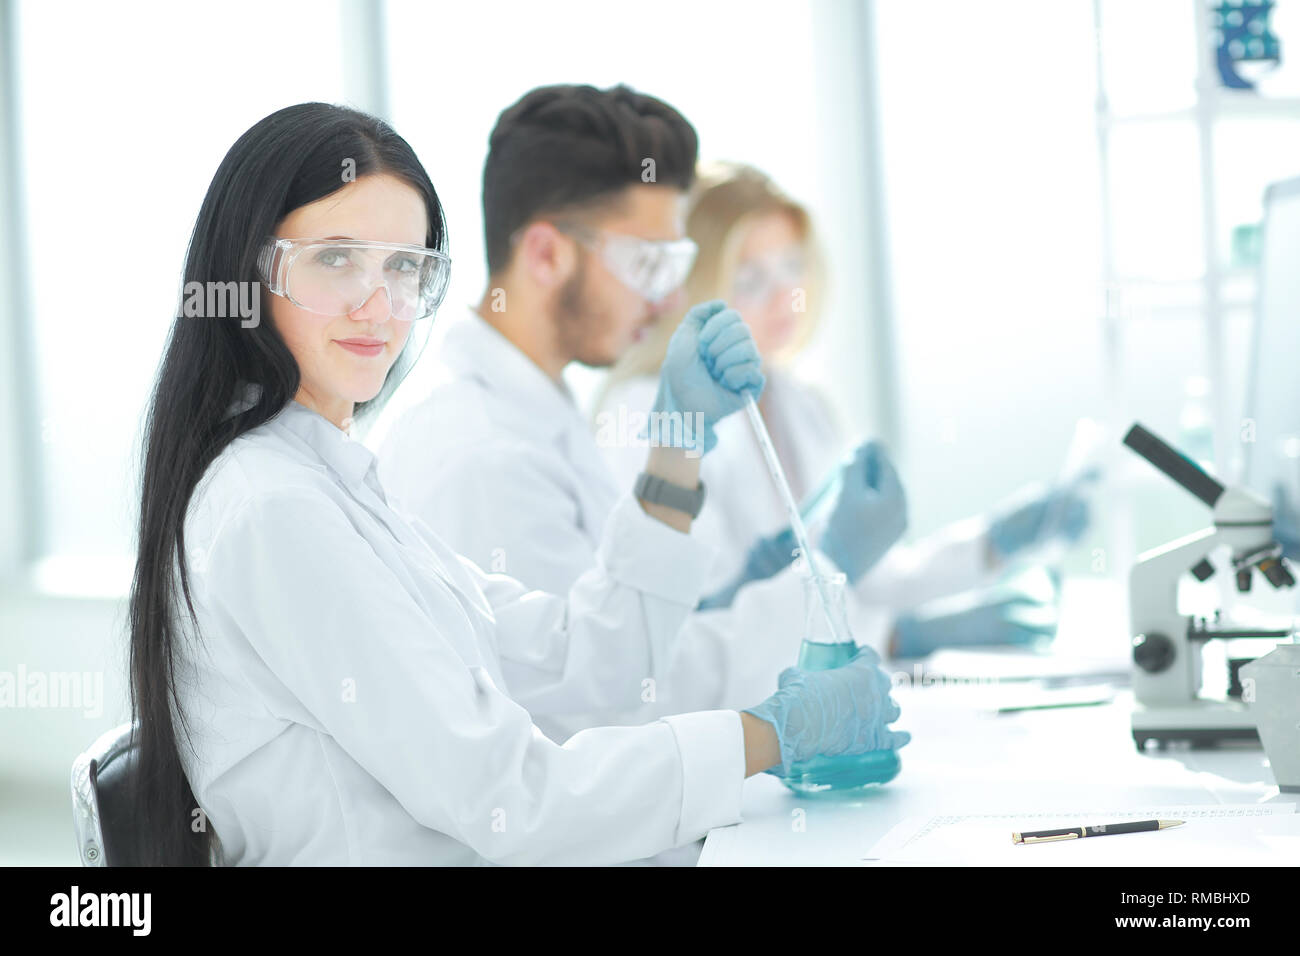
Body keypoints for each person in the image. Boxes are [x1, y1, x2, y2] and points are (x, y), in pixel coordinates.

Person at [126, 102, 907, 866]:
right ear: (250, 271)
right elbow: (516, 801)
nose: (380, 306)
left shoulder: (336, 481)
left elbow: (588, 664)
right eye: (336, 259)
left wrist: (675, 453)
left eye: (405, 267)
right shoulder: (275, 507)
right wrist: (773, 733)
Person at [375, 86, 906, 748]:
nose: (671, 300)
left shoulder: (538, 414)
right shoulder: (481, 455)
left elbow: (623, 644)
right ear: (546, 255)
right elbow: (612, 710)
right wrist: (824, 575)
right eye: (647, 263)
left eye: (675, 265)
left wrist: (732, 593)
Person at [598, 162, 1094, 658]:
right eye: (750, 279)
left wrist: (991, 543)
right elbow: (702, 626)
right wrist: (901, 637)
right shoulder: (649, 411)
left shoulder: (801, 401)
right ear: (695, 288)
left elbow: (861, 577)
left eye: (792, 267)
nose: (785, 297)